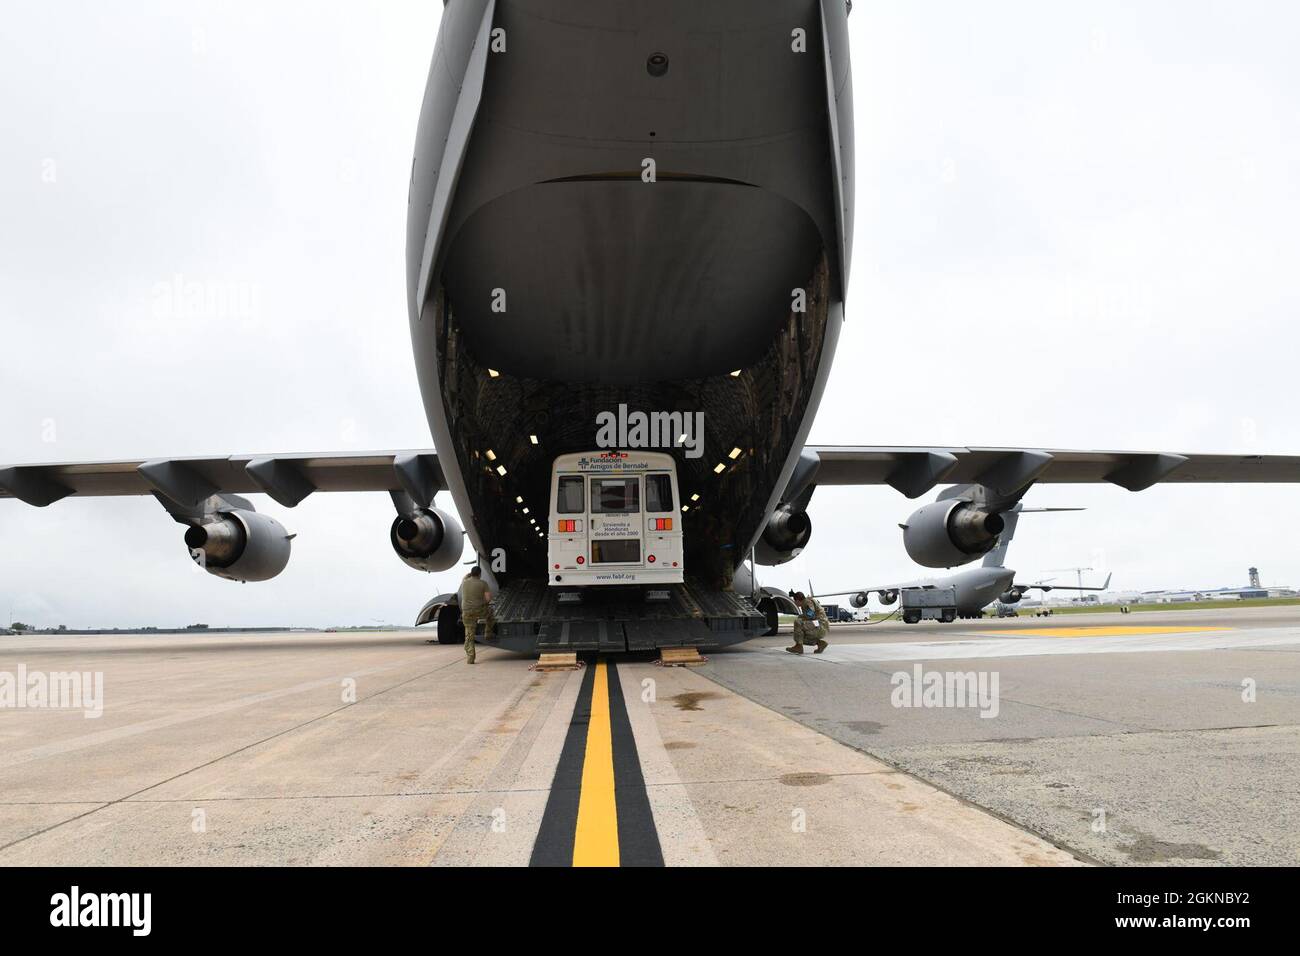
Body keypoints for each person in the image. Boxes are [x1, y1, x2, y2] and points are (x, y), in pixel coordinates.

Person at [458, 566, 495, 664]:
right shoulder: (483, 583)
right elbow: (488, 599)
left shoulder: (464, 583)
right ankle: (488, 633)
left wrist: (469, 574)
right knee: (490, 613)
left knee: (469, 634)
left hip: (466, 612)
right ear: (480, 574)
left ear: (471, 573)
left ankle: (470, 657)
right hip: (479, 610)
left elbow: (465, 577)